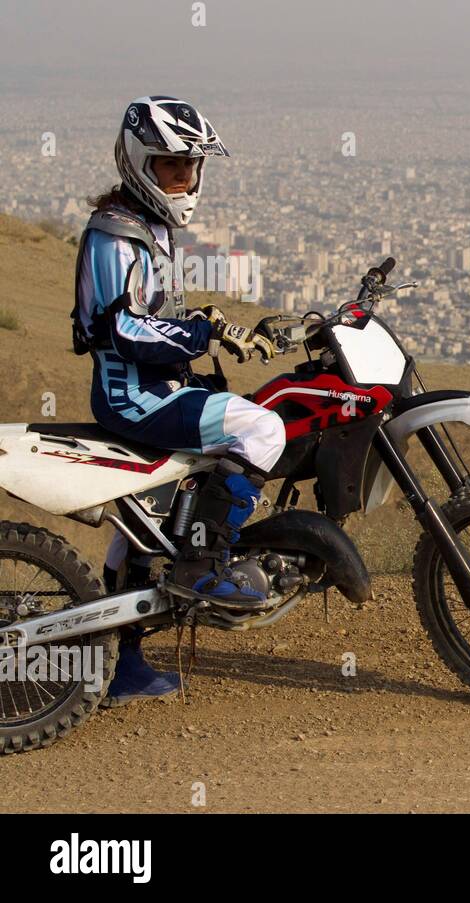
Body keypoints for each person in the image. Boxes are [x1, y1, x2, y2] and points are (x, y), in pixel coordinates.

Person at [73, 96, 283, 704]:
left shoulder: (146, 229)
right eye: (172, 167)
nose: (186, 180)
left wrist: (207, 321)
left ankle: (120, 665)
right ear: (141, 163)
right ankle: (207, 565)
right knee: (264, 431)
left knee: (138, 532)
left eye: (192, 167)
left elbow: (152, 314)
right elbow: (121, 330)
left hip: (155, 387)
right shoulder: (114, 236)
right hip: (136, 396)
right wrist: (203, 332)